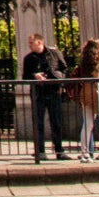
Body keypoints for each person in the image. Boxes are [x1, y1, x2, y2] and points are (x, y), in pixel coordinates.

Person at [20, 33, 70, 162]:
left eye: (31, 42)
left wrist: (58, 79)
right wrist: (35, 76)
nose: (29, 45)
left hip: (53, 91)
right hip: (38, 93)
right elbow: (25, 77)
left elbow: (64, 69)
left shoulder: (54, 53)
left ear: (39, 42)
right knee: (39, 123)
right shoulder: (29, 58)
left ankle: (59, 150)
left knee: (56, 122)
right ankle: (40, 151)